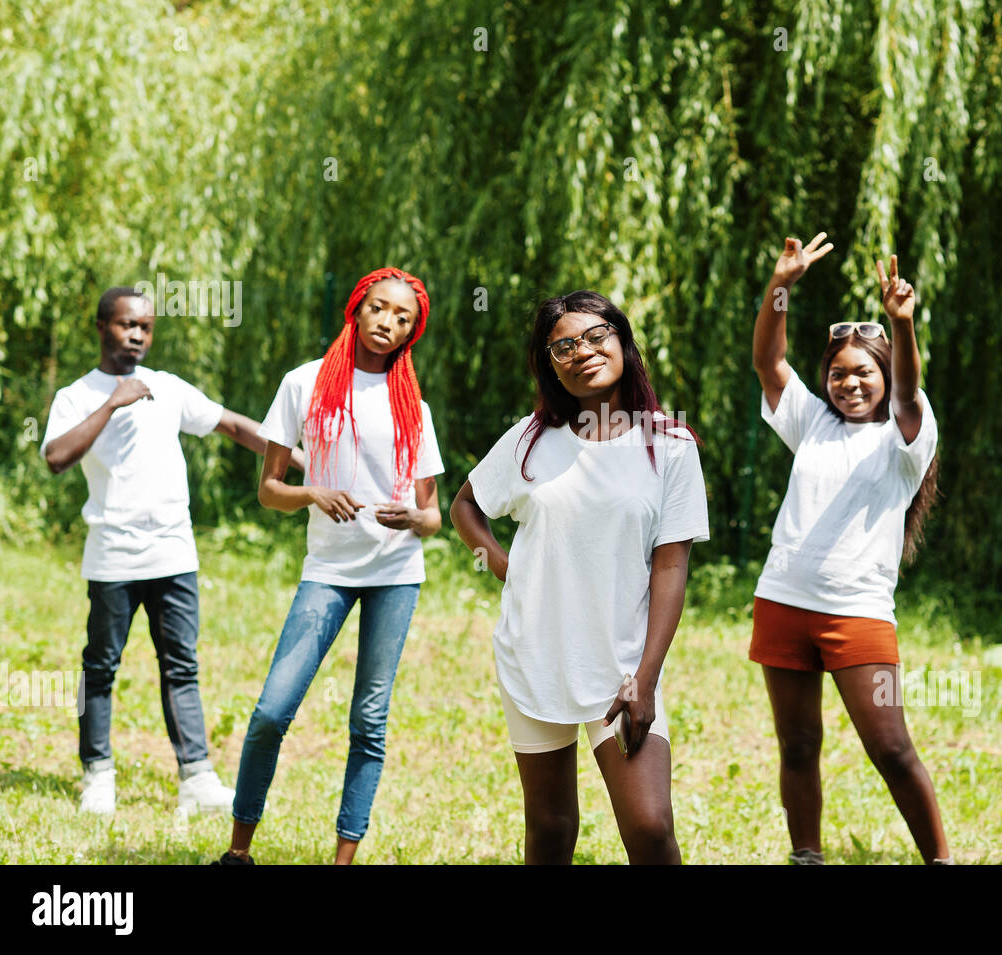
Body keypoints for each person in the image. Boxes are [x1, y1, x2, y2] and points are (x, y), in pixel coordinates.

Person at [449, 290, 709, 865]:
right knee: (550, 827)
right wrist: (497, 560)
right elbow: (466, 504)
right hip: (534, 654)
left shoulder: (669, 446)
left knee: (648, 825)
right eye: (563, 345)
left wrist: (646, 676)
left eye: (596, 336)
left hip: (621, 665)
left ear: (622, 342)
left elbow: (671, 567)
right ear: (550, 363)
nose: (582, 352)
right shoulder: (529, 439)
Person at [41, 286, 303, 816]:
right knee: (100, 667)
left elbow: (230, 423)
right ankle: (98, 775)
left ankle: (197, 777)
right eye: (126, 325)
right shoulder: (77, 395)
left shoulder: (168, 388)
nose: (138, 334)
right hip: (112, 556)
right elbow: (55, 457)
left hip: (174, 555)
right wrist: (113, 402)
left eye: (146, 326)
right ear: (101, 327)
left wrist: (300, 458)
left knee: (181, 665)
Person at [213, 267, 443, 866]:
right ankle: (238, 852)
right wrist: (313, 493)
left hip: (395, 573)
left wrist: (410, 520)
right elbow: (268, 489)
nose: (387, 323)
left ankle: (342, 859)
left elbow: (434, 516)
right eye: (379, 308)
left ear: (411, 332)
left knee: (369, 718)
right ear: (356, 307)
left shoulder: (412, 405)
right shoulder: (304, 384)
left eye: (403, 318)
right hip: (328, 570)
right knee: (271, 711)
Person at [749, 235, 951, 865]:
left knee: (890, 747)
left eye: (863, 371)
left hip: (857, 614)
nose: (848, 383)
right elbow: (767, 360)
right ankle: (805, 855)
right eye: (837, 373)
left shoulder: (905, 436)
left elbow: (912, 390)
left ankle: (941, 861)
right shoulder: (812, 422)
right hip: (781, 602)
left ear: (884, 374)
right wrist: (779, 285)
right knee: (798, 745)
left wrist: (902, 323)